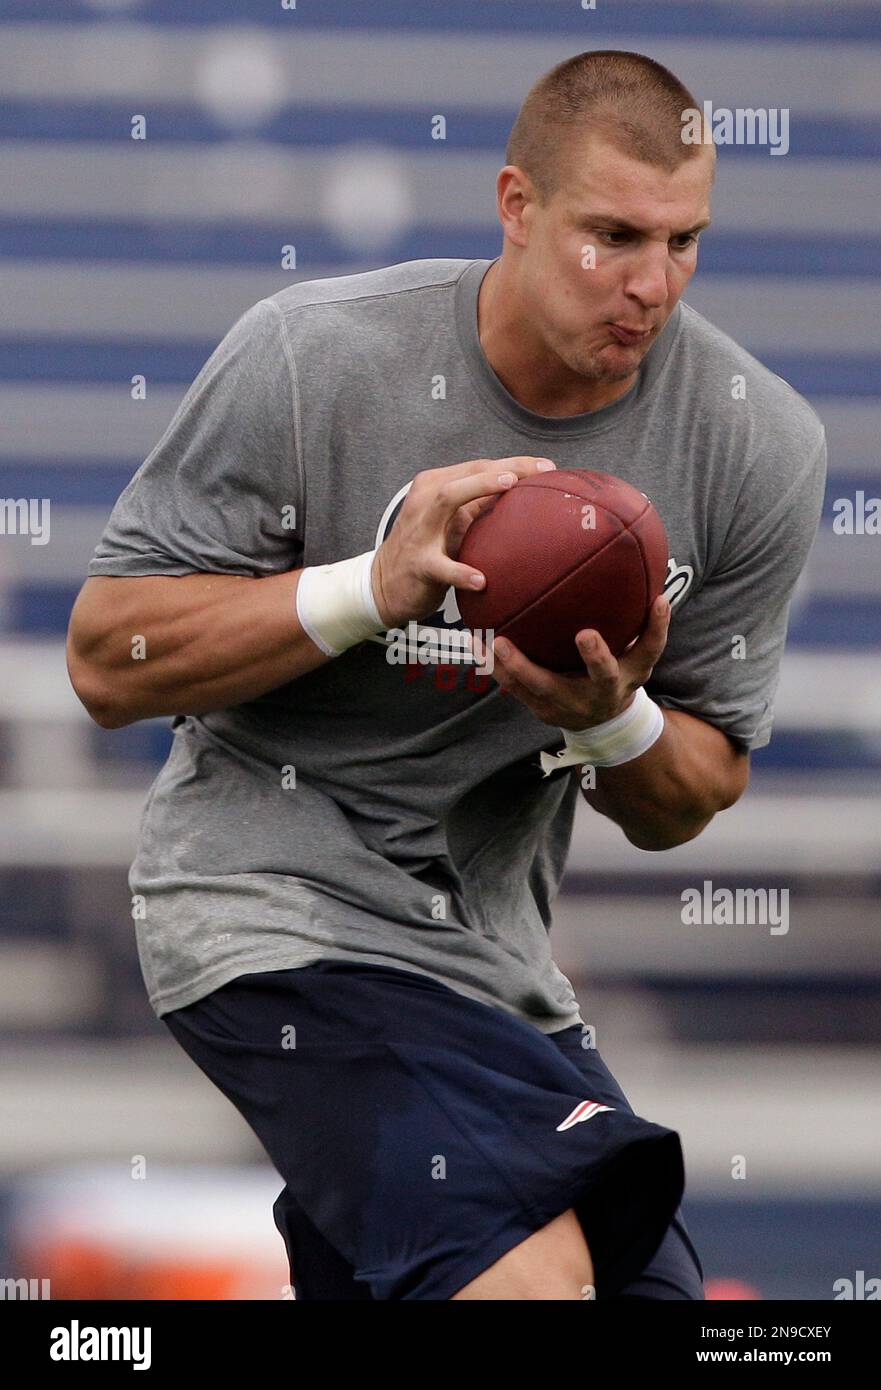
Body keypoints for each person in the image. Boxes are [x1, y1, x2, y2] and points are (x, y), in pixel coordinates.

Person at [66, 50, 826, 1300]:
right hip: (273, 908)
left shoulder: (754, 443)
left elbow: (692, 792)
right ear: (515, 206)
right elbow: (108, 658)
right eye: (611, 235)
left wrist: (612, 721)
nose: (650, 285)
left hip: (488, 963)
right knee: (524, 1277)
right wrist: (369, 588)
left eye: (684, 241)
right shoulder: (315, 359)